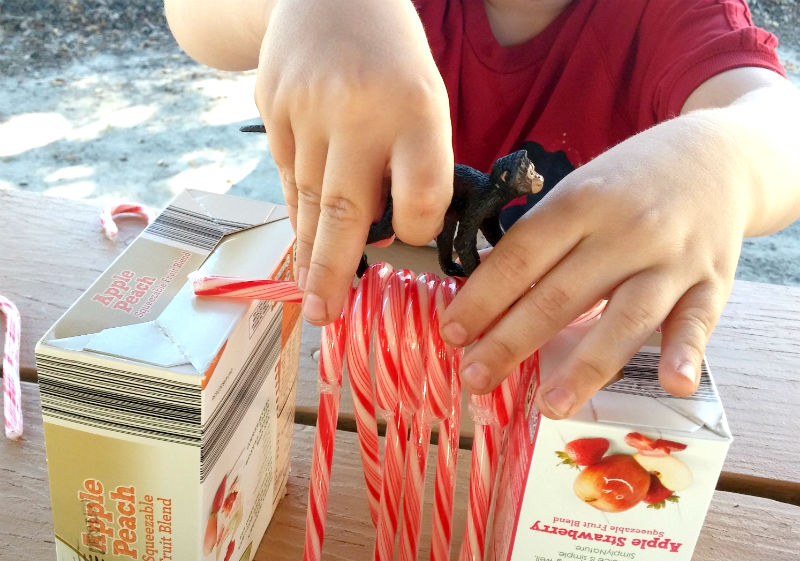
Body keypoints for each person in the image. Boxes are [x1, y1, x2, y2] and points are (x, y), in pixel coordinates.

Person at [164, 0, 800, 420]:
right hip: (344, 360)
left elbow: (778, 125)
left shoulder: (674, 17)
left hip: (526, 383)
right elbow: (193, 19)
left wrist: (721, 160)